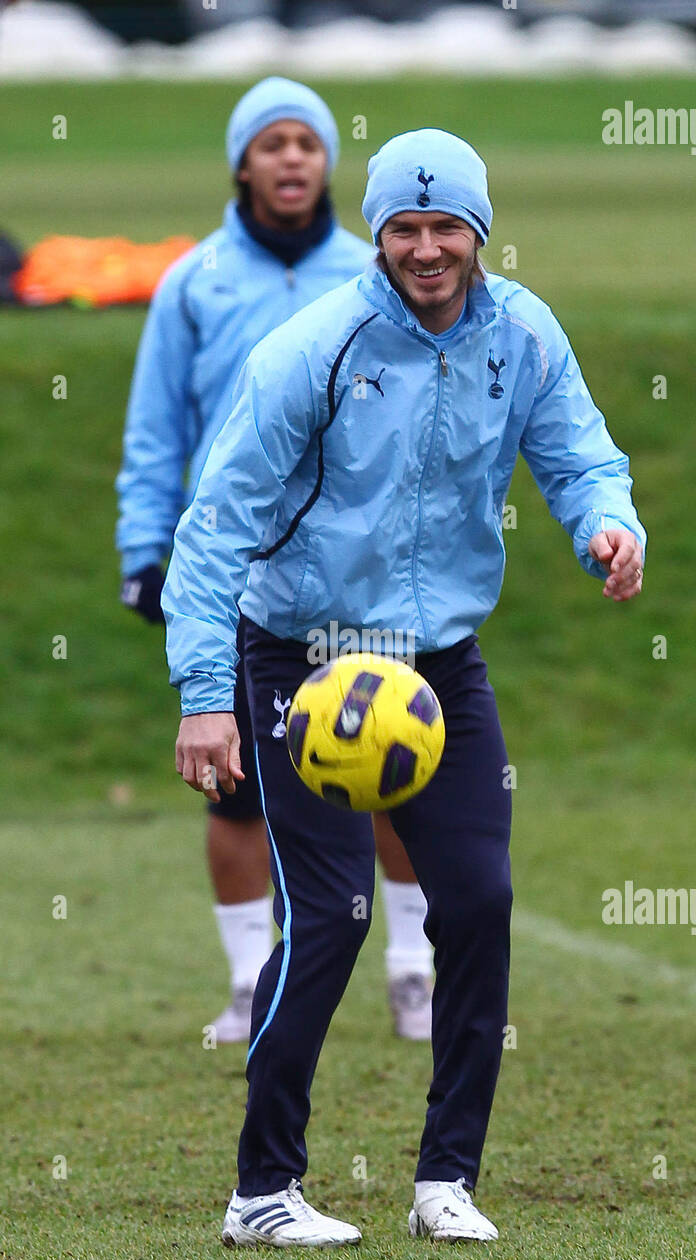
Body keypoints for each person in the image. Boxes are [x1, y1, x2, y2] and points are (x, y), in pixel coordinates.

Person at [162, 127, 647, 1247]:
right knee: (329, 913)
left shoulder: (521, 333)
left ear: (477, 232)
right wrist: (203, 693)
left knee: (476, 903)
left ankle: (445, 1182)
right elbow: (215, 526)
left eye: (446, 228)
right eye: (404, 228)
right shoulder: (310, 348)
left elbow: (577, 453)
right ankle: (261, 1191)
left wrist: (606, 526)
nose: (426, 249)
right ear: (375, 232)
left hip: (436, 668)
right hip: (304, 661)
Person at [116, 78, 434, 1044]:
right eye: (272, 143)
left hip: (360, 564)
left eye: (307, 141)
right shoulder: (194, 280)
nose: (291, 157)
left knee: (385, 749)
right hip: (237, 571)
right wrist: (144, 549)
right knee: (237, 778)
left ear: (328, 161)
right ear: (242, 163)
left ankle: (415, 970)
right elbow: (155, 425)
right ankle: (253, 979)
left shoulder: (369, 270)